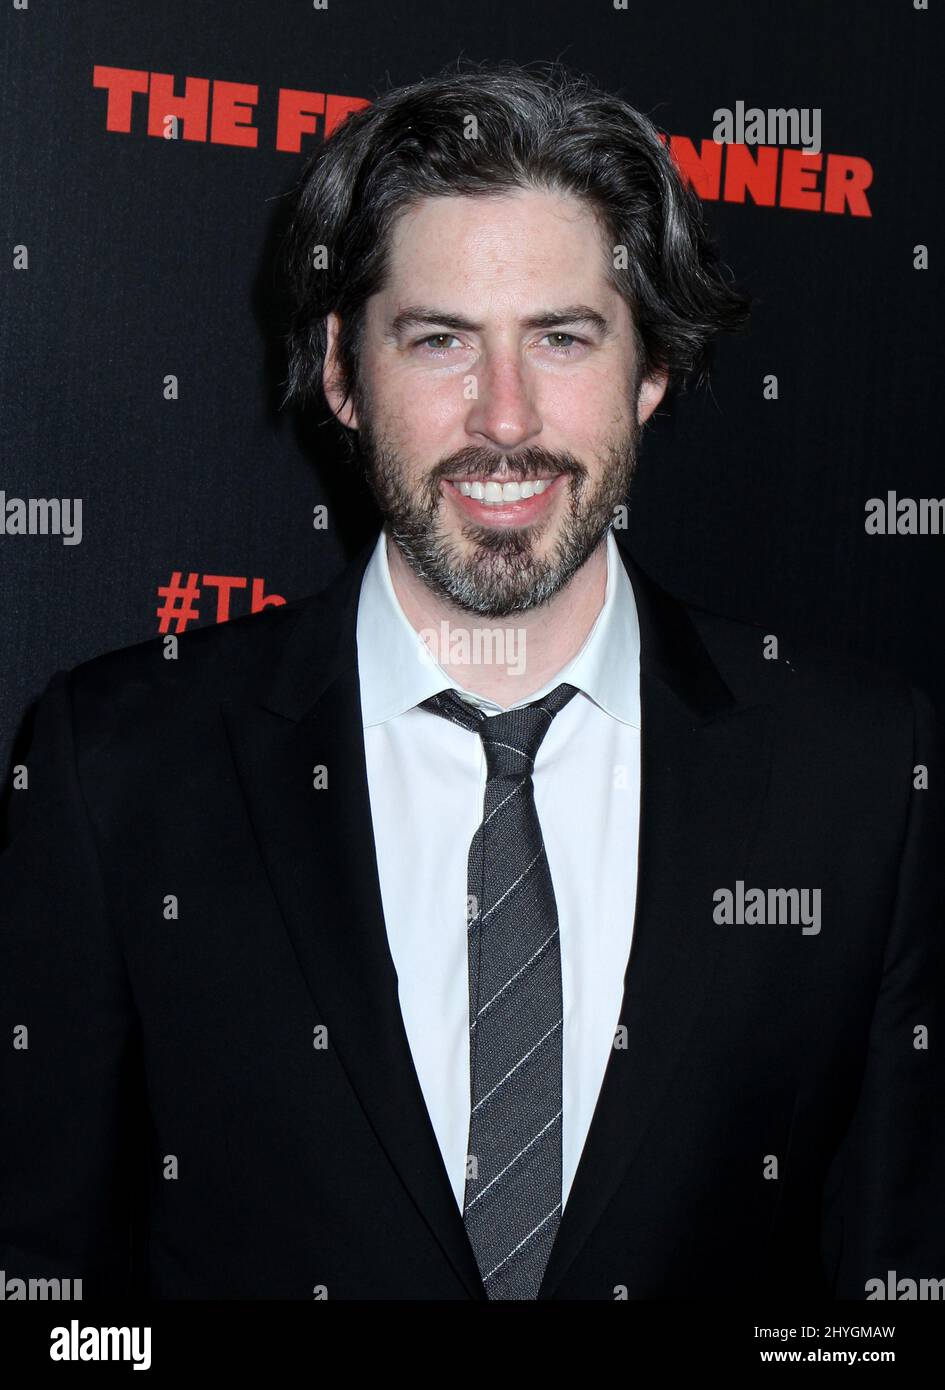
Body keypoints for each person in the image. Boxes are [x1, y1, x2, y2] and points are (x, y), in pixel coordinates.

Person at [1, 59, 942, 1301]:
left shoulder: (862, 775)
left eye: (562, 337)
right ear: (342, 370)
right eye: (440, 340)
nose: (504, 418)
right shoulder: (117, 761)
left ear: (649, 368)